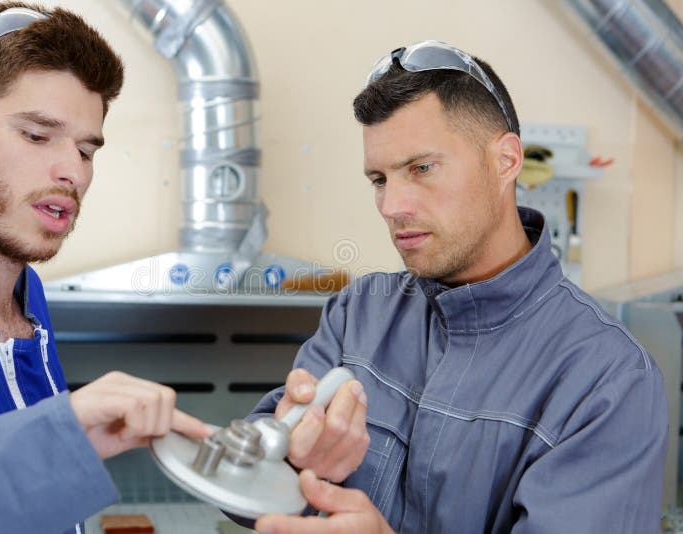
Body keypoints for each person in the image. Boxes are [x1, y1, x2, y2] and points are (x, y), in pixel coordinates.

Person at [251, 40, 668, 534]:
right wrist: (284, 454)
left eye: (421, 168)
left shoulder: (607, 380)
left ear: (506, 160)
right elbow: (256, 488)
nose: (392, 206)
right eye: (379, 179)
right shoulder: (359, 312)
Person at [0, 4, 210, 533]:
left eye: (86, 149)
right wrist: (60, 435)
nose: (72, 172)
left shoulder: (26, 295)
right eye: (37, 136)